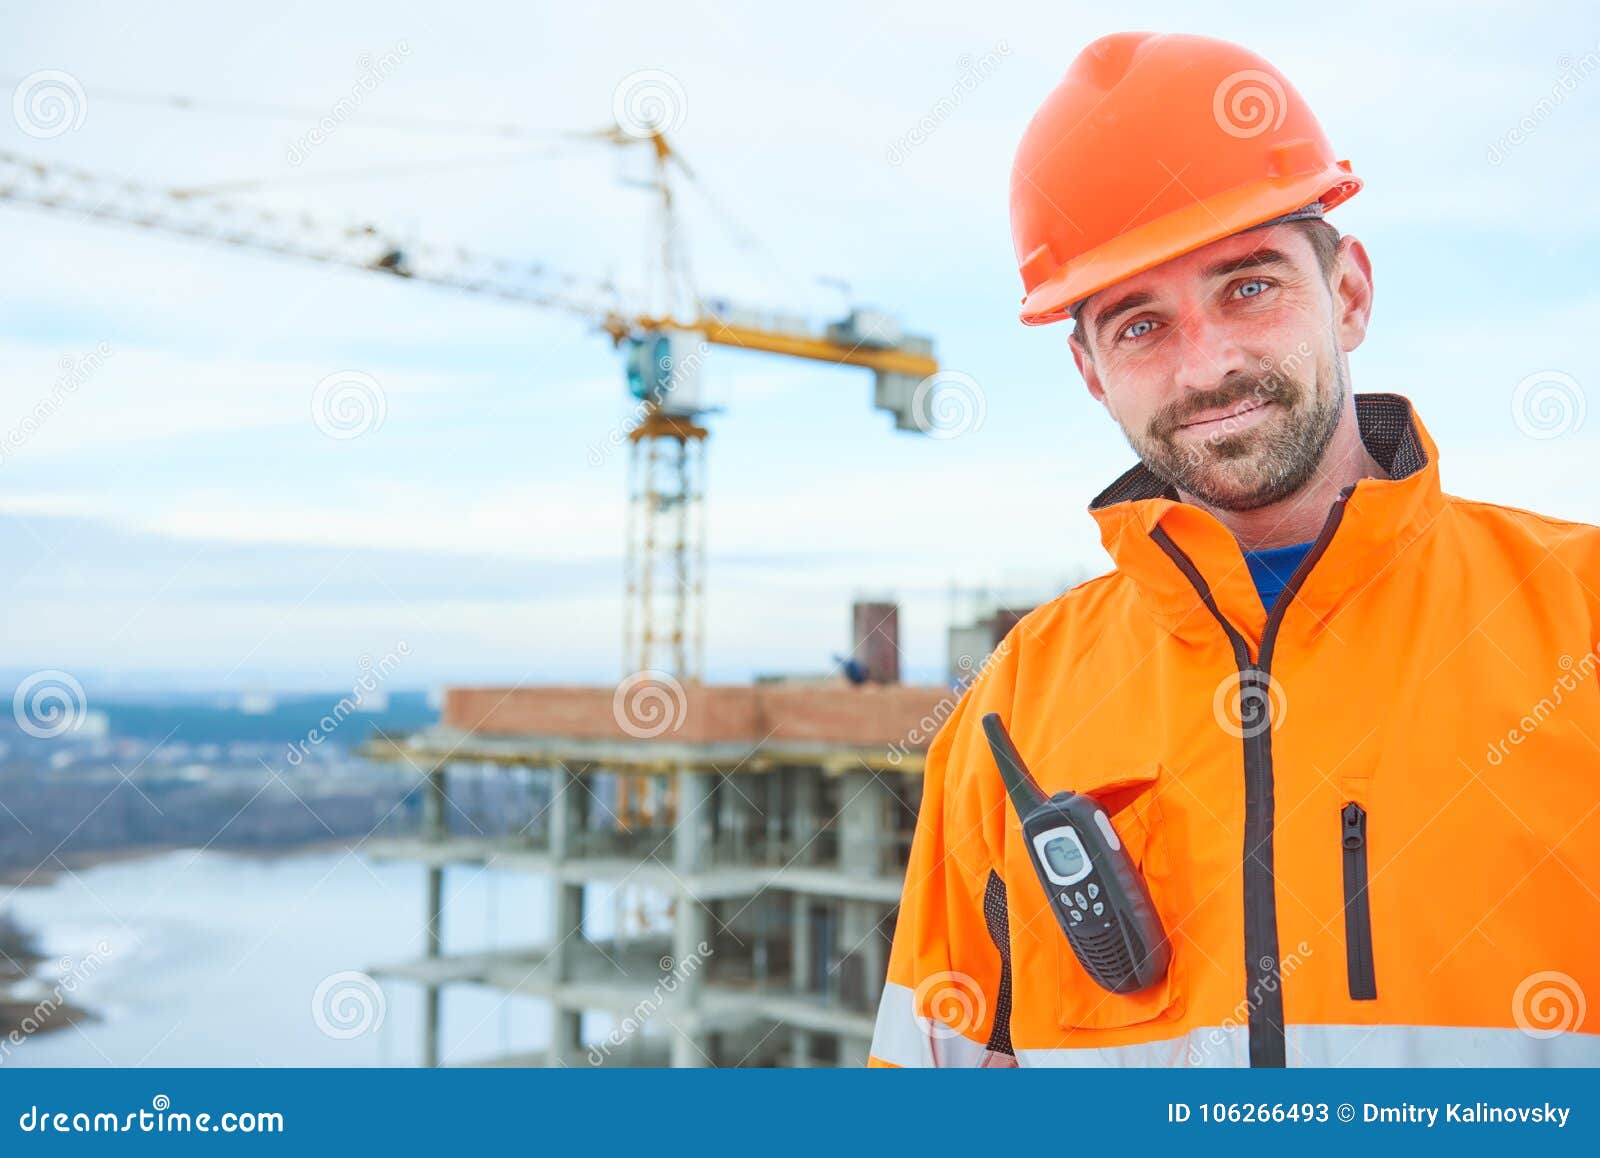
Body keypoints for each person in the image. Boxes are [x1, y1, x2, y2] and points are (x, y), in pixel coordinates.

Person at [869, 31, 1600, 1068]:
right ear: (1089, 372)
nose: (1207, 365)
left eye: (1248, 286)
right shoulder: (1011, 709)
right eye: (1139, 324)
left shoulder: (1581, 617)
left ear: (1346, 296)